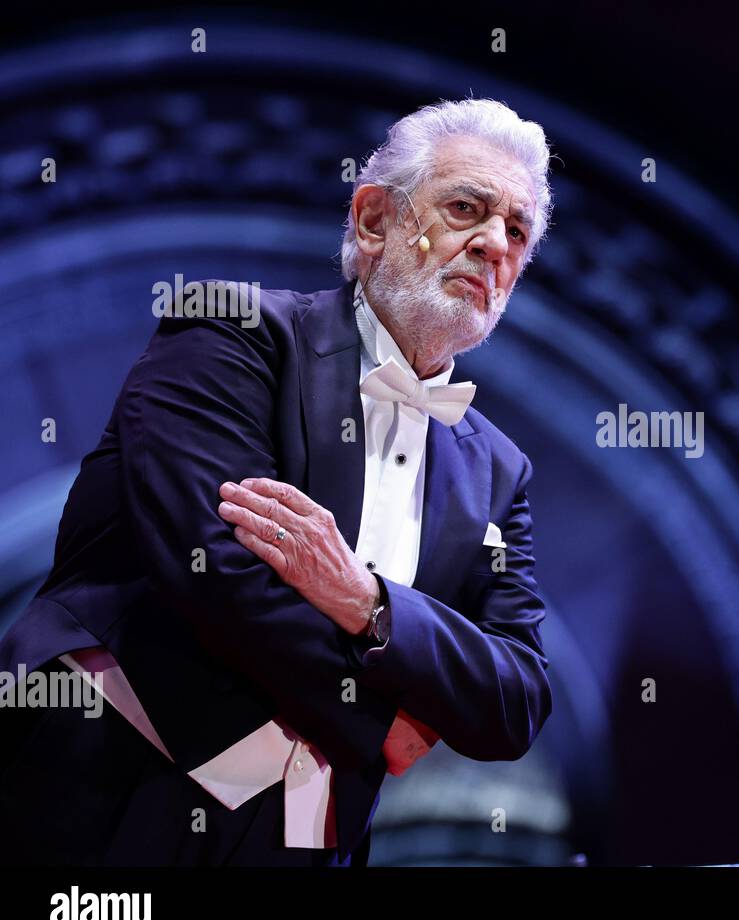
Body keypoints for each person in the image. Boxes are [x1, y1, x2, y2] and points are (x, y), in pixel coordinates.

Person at [0, 97, 555, 865]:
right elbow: (211, 569)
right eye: (467, 207)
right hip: (109, 791)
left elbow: (517, 696)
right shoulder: (229, 332)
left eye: (517, 231)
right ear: (373, 222)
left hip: (300, 842)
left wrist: (369, 604)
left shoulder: (499, 470)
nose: (494, 242)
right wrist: (382, 719)